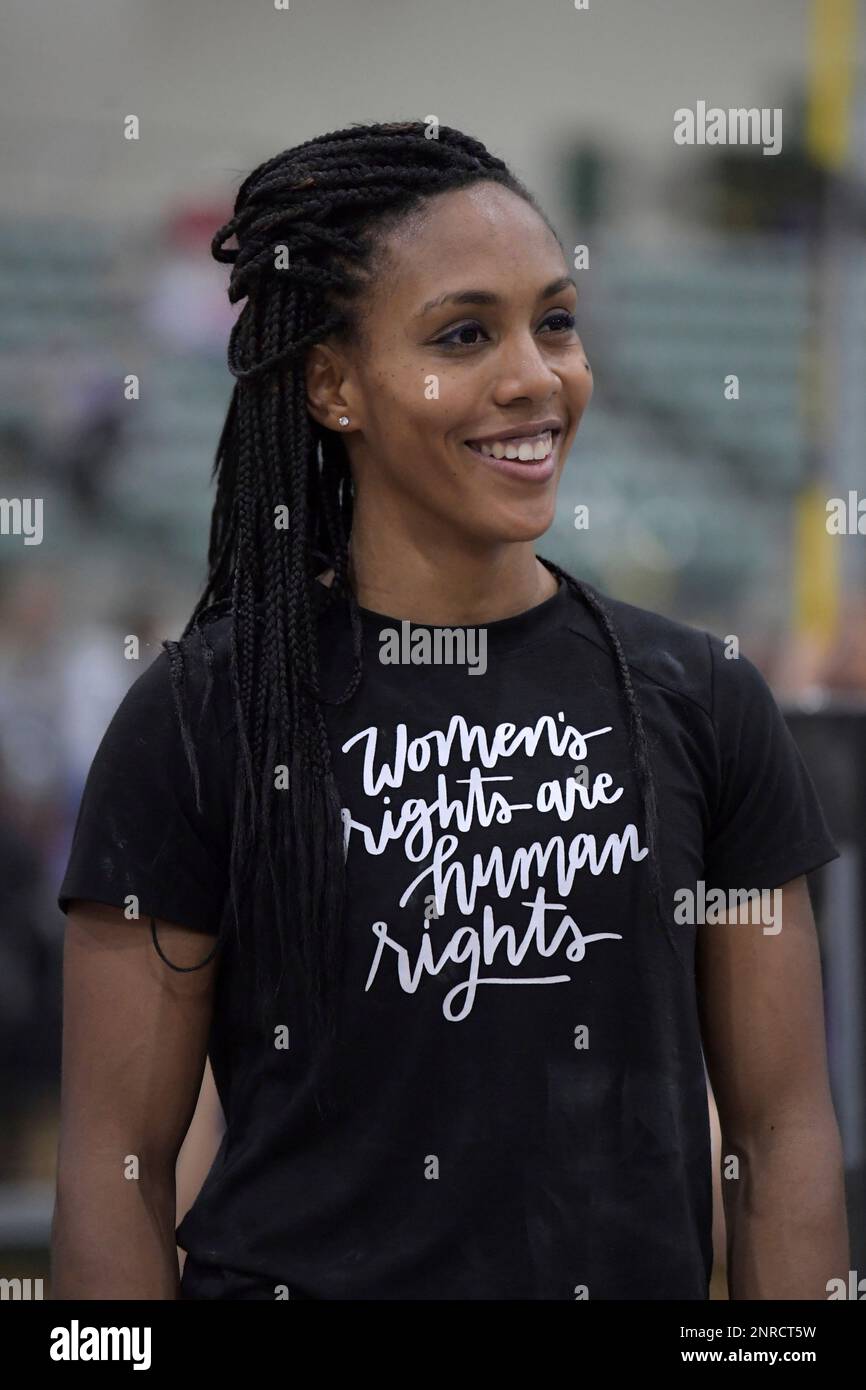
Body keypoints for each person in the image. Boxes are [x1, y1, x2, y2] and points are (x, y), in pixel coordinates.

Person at [52, 120, 849, 1301]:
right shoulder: (203, 713)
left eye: (556, 321)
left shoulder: (704, 698)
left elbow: (779, 1137)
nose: (533, 375)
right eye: (464, 334)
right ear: (332, 384)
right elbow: (114, 1174)